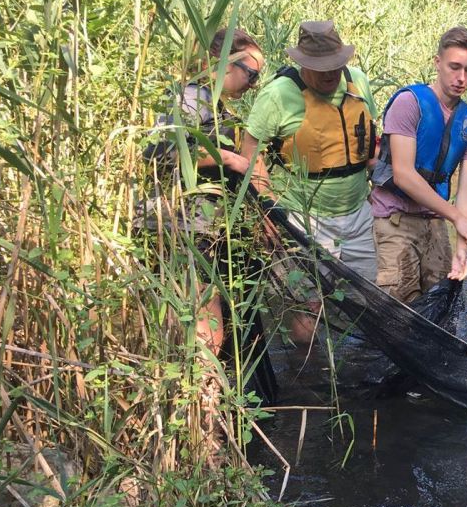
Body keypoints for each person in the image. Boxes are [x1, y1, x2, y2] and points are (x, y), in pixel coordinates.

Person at [140, 27, 276, 401]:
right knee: (206, 327)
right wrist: (230, 158)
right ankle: (205, 418)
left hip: (198, 229)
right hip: (181, 228)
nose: (253, 83)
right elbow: (159, 151)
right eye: (250, 73)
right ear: (220, 63)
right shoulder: (191, 99)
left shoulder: (212, 106)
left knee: (209, 323)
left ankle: (208, 415)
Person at [240, 20, 378, 343]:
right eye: (321, 68)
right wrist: (269, 212)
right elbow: (250, 155)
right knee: (308, 307)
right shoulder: (277, 95)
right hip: (303, 220)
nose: (331, 74)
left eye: (336, 65)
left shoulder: (358, 83)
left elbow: (371, 142)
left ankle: (361, 375)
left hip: (358, 215)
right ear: (302, 63)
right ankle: (311, 379)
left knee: (368, 305)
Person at [369, 27, 467, 302]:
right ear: (437, 63)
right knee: (400, 306)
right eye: (454, 67)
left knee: (439, 301)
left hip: (435, 223)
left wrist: (461, 245)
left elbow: (466, 189)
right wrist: (455, 217)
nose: (461, 78)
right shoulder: (410, 104)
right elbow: (404, 175)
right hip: (395, 219)